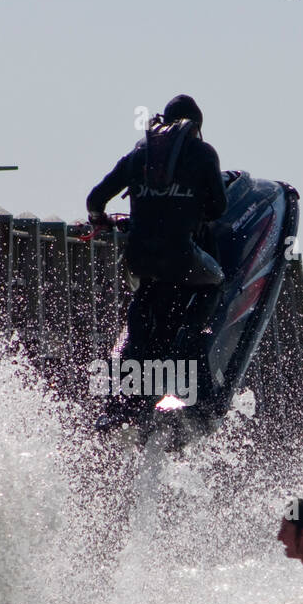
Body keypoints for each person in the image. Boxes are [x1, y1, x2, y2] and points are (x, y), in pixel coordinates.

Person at [85, 94, 227, 424]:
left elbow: (95, 199)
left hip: (141, 262)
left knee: (143, 299)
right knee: (217, 279)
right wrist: (191, 212)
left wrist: (99, 220)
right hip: (182, 260)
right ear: (196, 127)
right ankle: (190, 338)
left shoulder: (140, 154)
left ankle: (121, 399)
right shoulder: (203, 154)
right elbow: (218, 209)